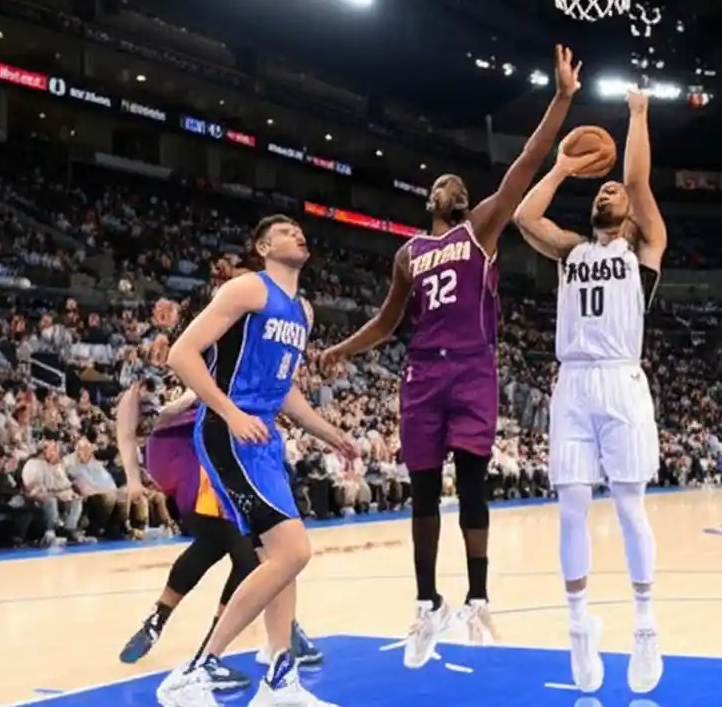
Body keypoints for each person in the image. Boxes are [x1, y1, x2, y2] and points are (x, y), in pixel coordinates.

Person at [320, 44, 582, 667]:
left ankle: (478, 599)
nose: (454, 186)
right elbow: (387, 322)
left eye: (459, 183)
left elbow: (525, 163)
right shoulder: (407, 254)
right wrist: (341, 348)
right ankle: (426, 603)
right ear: (429, 201)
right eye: (444, 184)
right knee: (421, 490)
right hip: (422, 372)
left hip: (471, 366)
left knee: (470, 482)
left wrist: (562, 98)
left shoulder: (481, 228)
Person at [156, 215, 355, 707]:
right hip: (227, 431)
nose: (297, 234)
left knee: (279, 559)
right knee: (293, 552)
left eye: (299, 230)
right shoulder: (247, 288)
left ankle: (280, 680)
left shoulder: (302, 311)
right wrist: (230, 411)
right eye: (284, 231)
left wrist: (328, 432)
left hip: (263, 437)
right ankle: (196, 670)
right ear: (263, 246)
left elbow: (282, 389)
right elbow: (182, 354)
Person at [510, 89, 665, 694]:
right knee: (571, 508)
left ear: (629, 212)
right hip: (572, 383)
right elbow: (525, 218)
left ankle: (645, 626)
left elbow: (638, 180)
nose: (607, 192)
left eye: (613, 191)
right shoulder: (571, 250)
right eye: (600, 190)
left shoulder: (643, 249)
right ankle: (579, 627)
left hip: (622, 379)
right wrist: (562, 166)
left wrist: (638, 115)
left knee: (629, 507)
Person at [114, 382, 321, 682]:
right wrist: (133, 478)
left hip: (216, 452)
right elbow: (129, 428)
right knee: (253, 551)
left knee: (221, 542)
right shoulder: (148, 379)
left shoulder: (208, 364)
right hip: (187, 459)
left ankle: (160, 617)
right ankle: (211, 654)